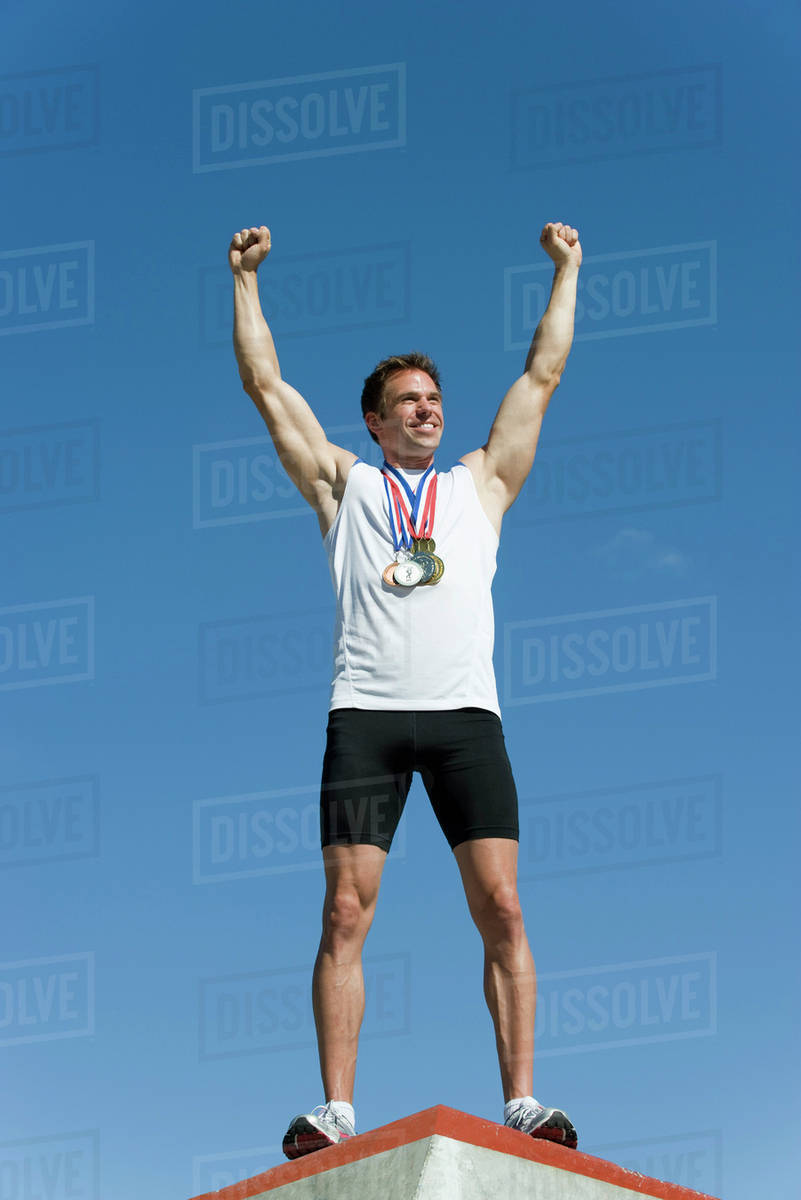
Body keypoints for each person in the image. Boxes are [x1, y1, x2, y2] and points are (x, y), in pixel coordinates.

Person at [228, 219, 582, 1159]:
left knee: (502, 907)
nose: (426, 410)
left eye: (432, 398)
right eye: (406, 402)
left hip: (469, 720)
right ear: (374, 422)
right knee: (344, 910)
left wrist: (566, 269)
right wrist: (245, 282)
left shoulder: (480, 487)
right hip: (366, 719)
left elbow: (540, 376)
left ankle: (523, 1104)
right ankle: (336, 1112)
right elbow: (266, 385)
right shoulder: (342, 489)